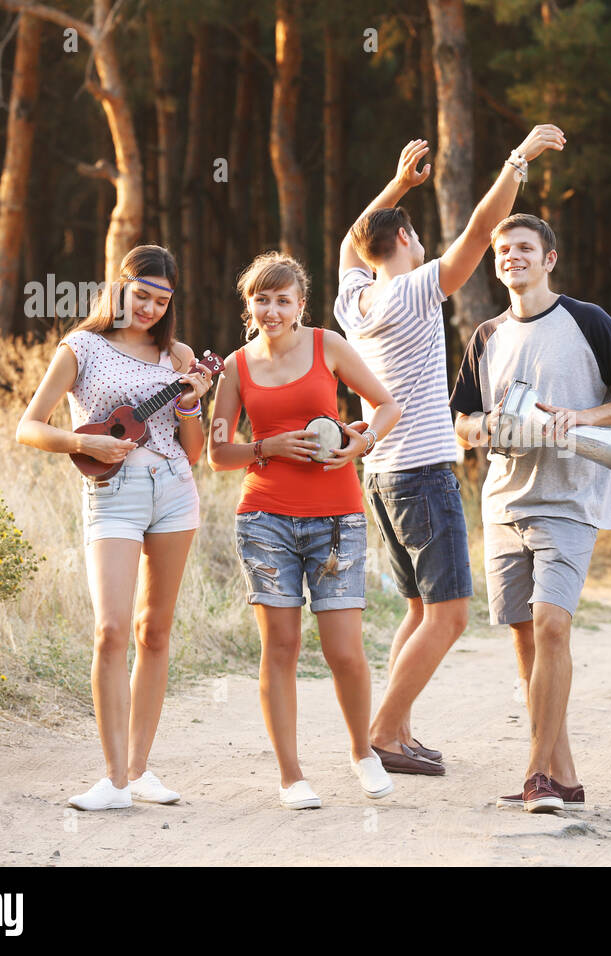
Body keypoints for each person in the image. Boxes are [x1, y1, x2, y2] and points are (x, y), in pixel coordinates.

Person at [335, 126, 565, 774]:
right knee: (450, 615)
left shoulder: (353, 300)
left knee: (417, 610)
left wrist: (402, 184)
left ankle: (397, 730)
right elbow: (483, 225)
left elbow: (353, 240)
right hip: (420, 472)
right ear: (406, 240)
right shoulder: (414, 289)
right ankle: (380, 734)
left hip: (380, 476)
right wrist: (517, 158)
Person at [450, 214, 611, 813]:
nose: (513, 257)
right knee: (526, 639)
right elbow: (461, 418)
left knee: (552, 627)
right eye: (504, 250)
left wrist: (583, 417)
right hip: (503, 503)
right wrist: (483, 426)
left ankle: (536, 773)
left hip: (570, 500)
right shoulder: (485, 335)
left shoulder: (588, 320)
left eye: (525, 248)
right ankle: (563, 774)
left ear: (550, 259)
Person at [16, 244, 214, 811]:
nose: (150, 308)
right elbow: (29, 427)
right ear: (119, 287)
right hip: (113, 496)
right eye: (142, 294)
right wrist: (84, 440)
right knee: (111, 629)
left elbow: (194, 452)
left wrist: (194, 406)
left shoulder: (176, 356)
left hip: (175, 493)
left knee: (155, 632)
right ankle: (112, 781)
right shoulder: (82, 347)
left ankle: (140, 769)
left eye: (162, 299)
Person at [207, 252, 401, 809]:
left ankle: (363, 753)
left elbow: (386, 406)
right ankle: (292, 776)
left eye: (282, 300)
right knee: (282, 647)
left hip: (337, 518)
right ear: (249, 306)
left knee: (344, 650)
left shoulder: (329, 346)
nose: (271, 310)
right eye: (261, 300)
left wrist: (361, 445)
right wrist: (266, 446)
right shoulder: (235, 369)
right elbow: (219, 452)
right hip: (264, 517)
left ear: (300, 306)